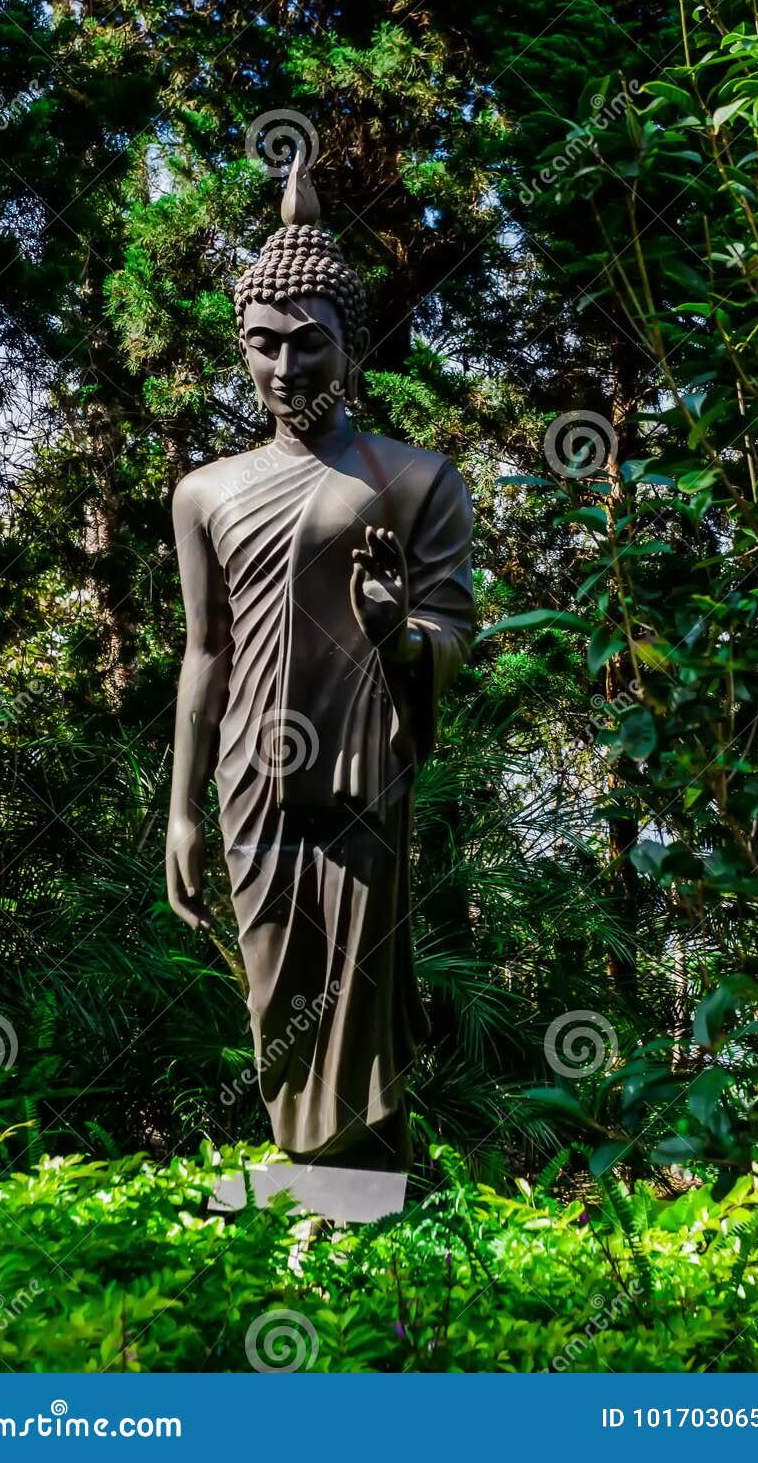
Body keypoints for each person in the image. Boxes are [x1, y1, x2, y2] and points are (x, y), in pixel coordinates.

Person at [165, 153, 474, 1169]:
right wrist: (181, 807)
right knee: (276, 995)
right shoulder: (204, 493)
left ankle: (359, 1175)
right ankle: (307, 1175)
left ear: (350, 346)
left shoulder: (416, 479)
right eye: (262, 346)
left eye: (310, 345)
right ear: (238, 347)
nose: (285, 370)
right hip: (252, 774)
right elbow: (203, 650)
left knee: (357, 988)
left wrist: (393, 633)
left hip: (358, 774)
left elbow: (452, 633)